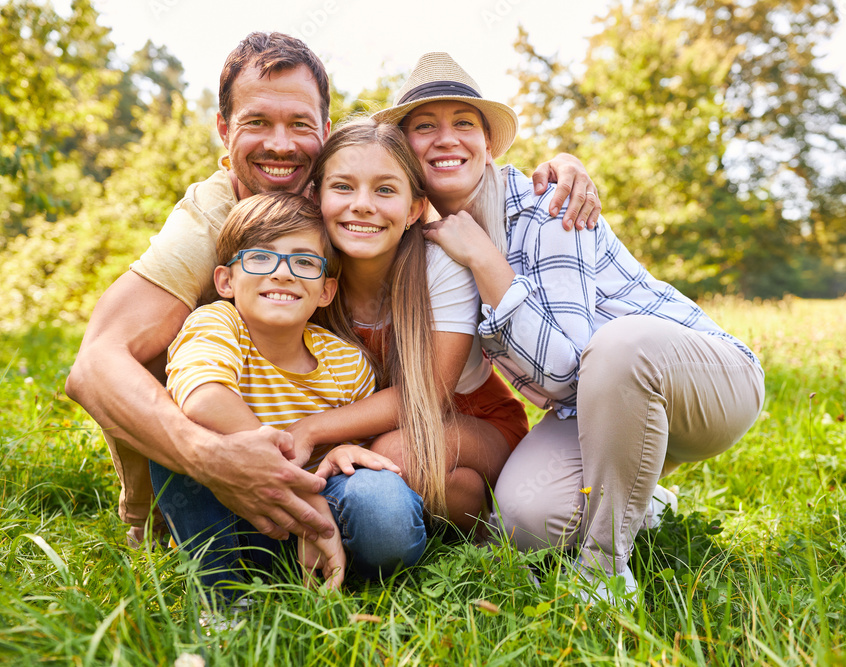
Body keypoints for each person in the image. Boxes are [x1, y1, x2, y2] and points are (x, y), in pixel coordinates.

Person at [65, 31, 603, 550]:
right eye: (257, 122)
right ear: (224, 133)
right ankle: (153, 512)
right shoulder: (245, 221)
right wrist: (211, 454)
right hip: (354, 418)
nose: (280, 143)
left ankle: (488, 513)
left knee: (397, 458)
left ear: (323, 132)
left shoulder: (401, 228)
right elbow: (95, 365)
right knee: (163, 344)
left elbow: (459, 174)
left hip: (443, 418)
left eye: (298, 124)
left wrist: (563, 166)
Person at [373, 52, 766, 601]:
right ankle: (642, 498)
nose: (446, 140)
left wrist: (488, 263)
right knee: (524, 517)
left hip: (705, 381)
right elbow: (574, 396)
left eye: (464, 123)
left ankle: (605, 570)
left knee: (618, 347)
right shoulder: (431, 238)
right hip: (593, 411)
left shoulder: (550, 205)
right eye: (424, 127)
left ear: (488, 143)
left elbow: (567, 370)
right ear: (404, 149)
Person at [149, 192, 425, 598]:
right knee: (172, 441)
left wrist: (341, 453)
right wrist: (292, 484)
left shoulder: (345, 361)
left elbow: (358, 447)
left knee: (382, 502)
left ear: (327, 290)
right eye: (261, 258)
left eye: (304, 261)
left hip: (317, 516)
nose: (282, 273)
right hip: (233, 518)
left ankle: (331, 568)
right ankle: (223, 593)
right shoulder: (218, 323)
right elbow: (203, 398)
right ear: (226, 281)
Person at [279, 119, 529, 529]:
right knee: (442, 483)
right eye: (342, 187)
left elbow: (427, 391)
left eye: (385, 190)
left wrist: (311, 429)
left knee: (394, 453)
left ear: (415, 208)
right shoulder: (309, 272)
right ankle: (468, 511)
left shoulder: (438, 265)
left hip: (474, 423)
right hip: (374, 432)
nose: (362, 204)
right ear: (316, 195)